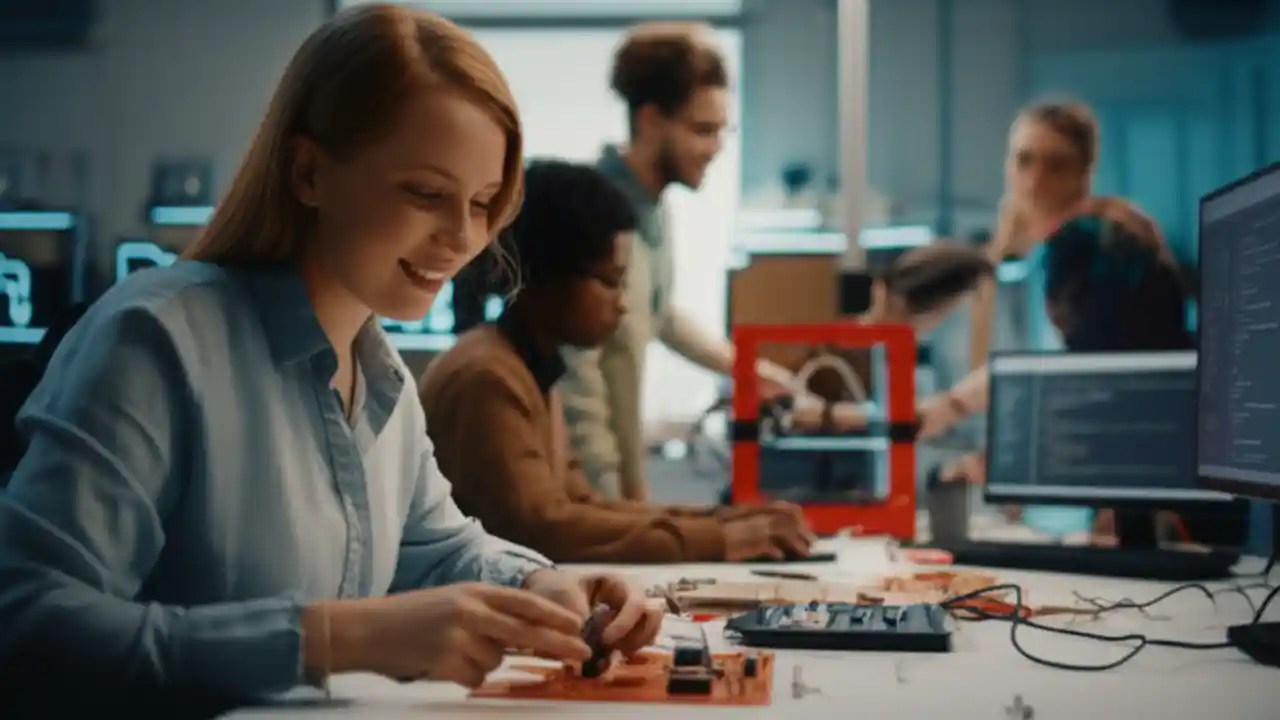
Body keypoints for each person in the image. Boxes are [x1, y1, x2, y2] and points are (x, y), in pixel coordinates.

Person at [0, 5, 658, 709]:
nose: (462, 238)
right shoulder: (157, 338)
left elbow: (439, 547)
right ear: (309, 171)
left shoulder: (383, 376)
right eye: (426, 194)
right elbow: (27, 623)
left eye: (484, 202)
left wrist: (538, 586)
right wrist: (335, 639)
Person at [419, 160, 814, 563]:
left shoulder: (529, 367)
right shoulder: (488, 378)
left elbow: (582, 506)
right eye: (610, 281)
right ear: (547, 277)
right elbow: (544, 529)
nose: (623, 303)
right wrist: (720, 539)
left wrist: (725, 521)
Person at [559, 22, 793, 502]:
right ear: (650, 121)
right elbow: (578, 379)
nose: (716, 147)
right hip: (590, 488)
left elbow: (659, 314)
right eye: (702, 130)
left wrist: (743, 369)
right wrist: (610, 501)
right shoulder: (592, 213)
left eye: (722, 131)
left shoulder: (653, 207)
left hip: (625, 482)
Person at [918, 98, 1169, 439]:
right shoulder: (1051, 249)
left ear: (1085, 173)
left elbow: (1074, 376)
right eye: (1025, 161)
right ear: (1007, 166)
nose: (1035, 182)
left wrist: (955, 406)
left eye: (1056, 166)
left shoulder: (1090, 240)